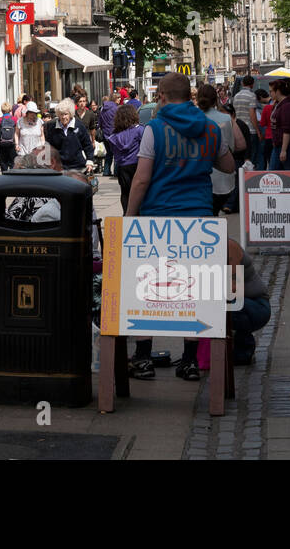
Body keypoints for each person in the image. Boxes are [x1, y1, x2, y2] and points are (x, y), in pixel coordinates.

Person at [123, 72, 234, 382]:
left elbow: (142, 178)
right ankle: (189, 362)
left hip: (158, 220)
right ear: (191, 96)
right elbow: (228, 167)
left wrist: (130, 217)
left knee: (147, 289)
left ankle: (143, 358)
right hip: (199, 219)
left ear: (161, 96)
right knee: (194, 290)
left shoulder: (154, 129)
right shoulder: (210, 128)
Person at [197, 84, 240, 216]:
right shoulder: (226, 119)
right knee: (214, 215)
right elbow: (230, 147)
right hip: (224, 180)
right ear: (215, 99)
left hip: (199, 177)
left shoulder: (193, 119)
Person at [227, 238, 271, 365]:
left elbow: (234, 288)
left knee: (226, 304)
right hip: (241, 302)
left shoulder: (229, 246)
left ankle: (244, 348)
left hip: (256, 305)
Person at [107, 104, 144, 215]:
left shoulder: (114, 135)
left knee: (125, 192)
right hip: (137, 165)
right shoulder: (139, 130)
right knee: (140, 193)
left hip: (122, 167)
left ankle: (127, 214)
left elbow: (114, 151)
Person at [45, 98, 97, 173]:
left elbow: (87, 145)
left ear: (70, 114)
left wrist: (89, 161)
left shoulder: (79, 125)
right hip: (59, 166)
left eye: (65, 114)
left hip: (77, 166)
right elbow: (49, 146)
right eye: (61, 114)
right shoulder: (52, 127)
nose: (63, 117)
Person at [268, 79, 290, 174]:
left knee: (289, 174)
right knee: (275, 173)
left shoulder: (287, 106)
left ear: (278, 91)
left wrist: (283, 150)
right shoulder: (279, 104)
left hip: (289, 145)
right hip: (280, 144)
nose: (270, 93)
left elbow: (287, 130)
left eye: (271, 91)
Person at [97, 95, 119, 177]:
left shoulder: (102, 109)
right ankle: (116, 172)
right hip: (115, 133)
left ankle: (106, 171)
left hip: (105, 134)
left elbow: (100, 123)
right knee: (117, 153)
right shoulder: (116, 109)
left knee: (109, 153)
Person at [0, 102, 19, 174]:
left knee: (3, 163)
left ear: (2, 110)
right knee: (12, 162)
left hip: (1, 144)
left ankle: (4, 178)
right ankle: (13, 178)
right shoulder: (15, 119)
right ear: (10, 110)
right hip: (12, 144)